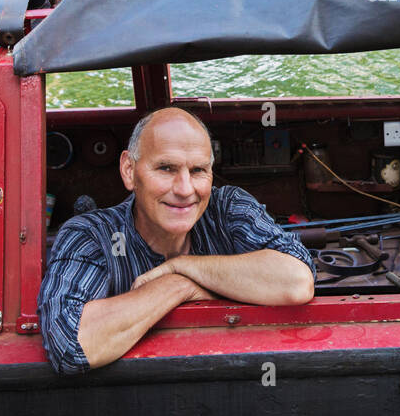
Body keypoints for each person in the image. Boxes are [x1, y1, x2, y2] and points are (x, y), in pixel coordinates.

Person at [38, 107, 316, 374]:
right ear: (128, 170)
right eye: (166, 168)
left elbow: (297, 281)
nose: (185, 190)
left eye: (198, 171)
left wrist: (181, 266)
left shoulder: (230, 209)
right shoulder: (91, 236)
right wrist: (178, 286)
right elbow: (70, 345)